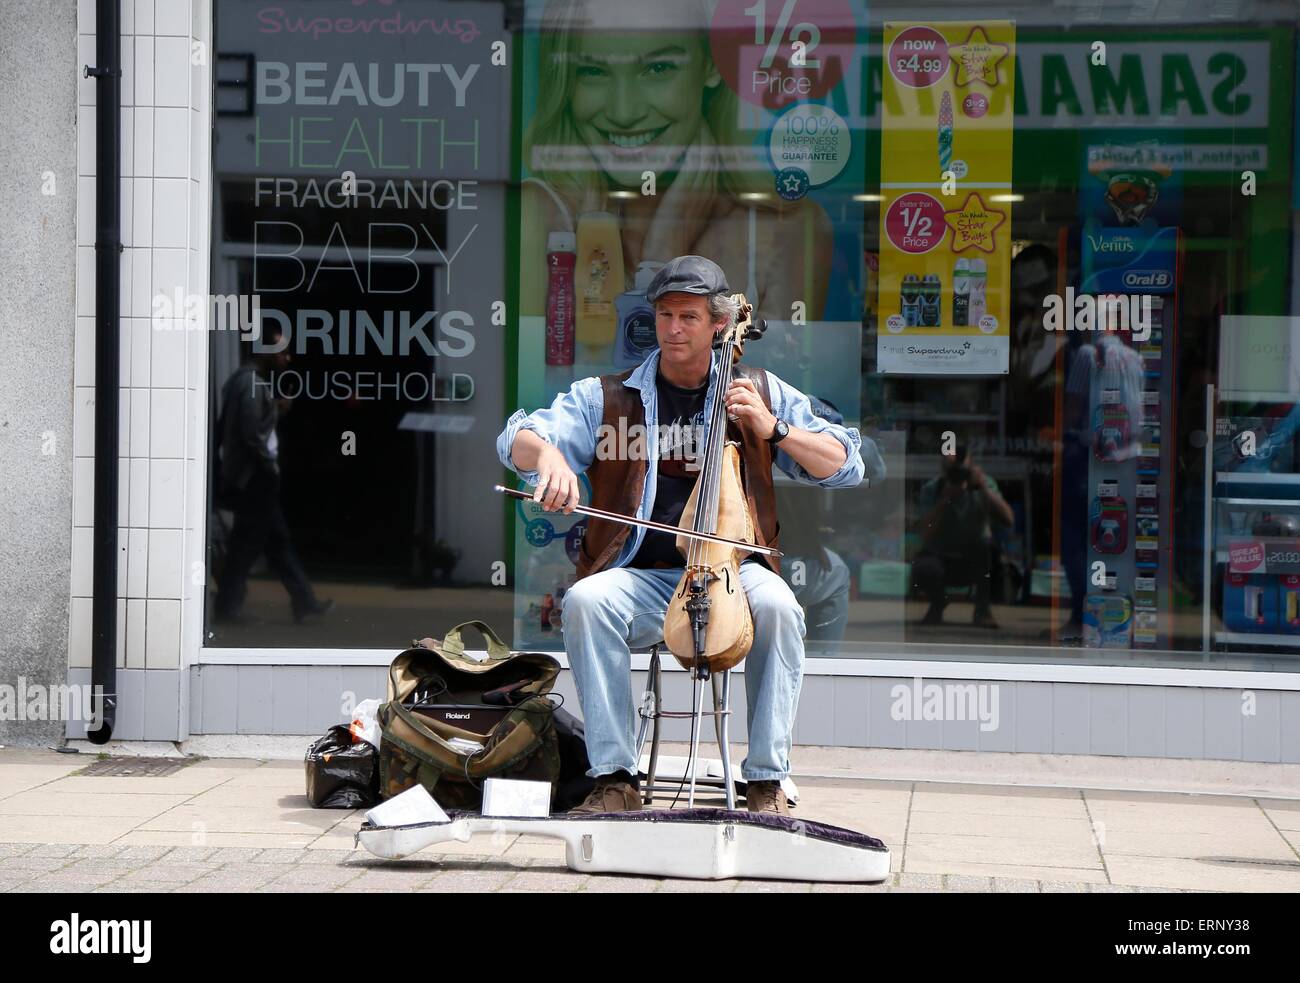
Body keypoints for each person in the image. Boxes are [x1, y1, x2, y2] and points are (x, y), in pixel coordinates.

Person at [497, 256, 881, 814]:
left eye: (689, 317)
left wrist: (776, 430)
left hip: (735, 575)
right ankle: (615, 779)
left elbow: (848, 464)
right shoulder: (607, 396)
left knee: (780, 608)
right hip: (642, 576)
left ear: (720, 325)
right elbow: (517, 440)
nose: (673, 329)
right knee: (585, 600)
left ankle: (767, 781)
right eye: (665, 315)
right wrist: (550, 456)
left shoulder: (759, 392)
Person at [520, 0, 833, 326]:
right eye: (593, 71)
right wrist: (662, 255)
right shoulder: (537, 214)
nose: (624, 112)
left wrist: (666, 253)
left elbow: (775, 375)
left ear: (712, 65)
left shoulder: (789, 228)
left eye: (658, 68)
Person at [214, 321, 332, 625]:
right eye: (281, 351)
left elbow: (251, 424)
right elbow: (251, 433)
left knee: (276, 542)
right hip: (255, 478)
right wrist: (268, 467)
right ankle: (229, 608)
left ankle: (304, 602)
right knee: (246, 546)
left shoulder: (246, 382)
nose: (286, 358)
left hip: (254, 476)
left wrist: (276, 409)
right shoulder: (250, 383)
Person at [912, 440, 1014, 630]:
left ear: (971, 465)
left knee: (988, 549)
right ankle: (937, 604)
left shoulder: (983, 485)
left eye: (961, 470)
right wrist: (944, 500)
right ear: (943, 469)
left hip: (975, 560)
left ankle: (982, 610)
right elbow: (924, 535)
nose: (958, 476)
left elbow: (1008, 520)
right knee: (922, 566)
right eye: (952, 471)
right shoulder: (933, 489)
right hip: (941, 559)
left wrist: (982, 488)